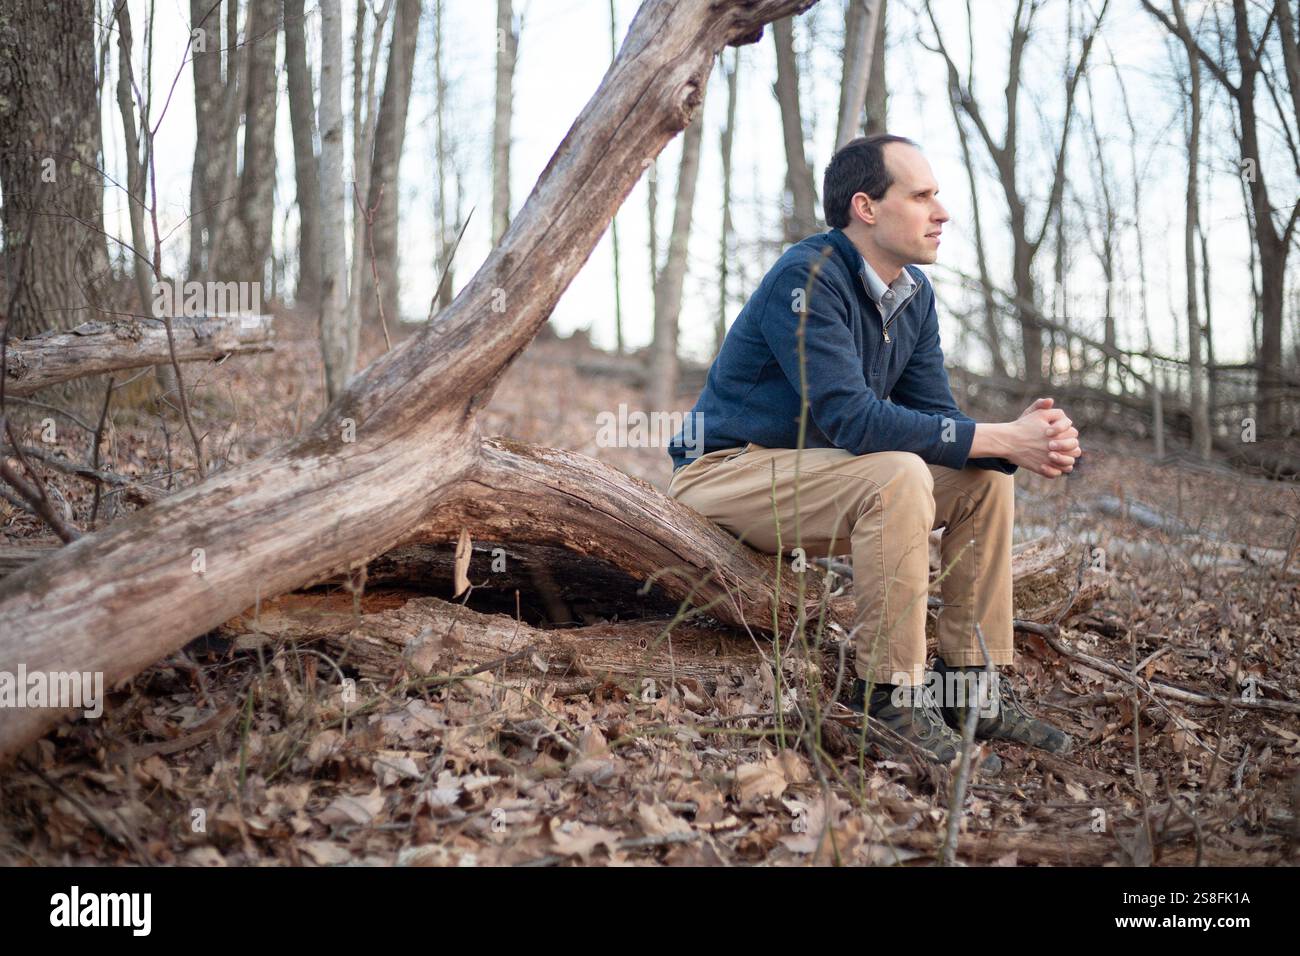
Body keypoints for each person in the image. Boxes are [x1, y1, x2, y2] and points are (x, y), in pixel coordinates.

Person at [666, 134, 1082, 775]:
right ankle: (887, 695)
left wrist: (1023, 439)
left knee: (984, 481)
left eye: (937, 196)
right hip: (725, 472)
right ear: (865, 207)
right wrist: (1001, 436)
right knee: (899, 473)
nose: (941, 212)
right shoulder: (807, 279)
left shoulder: (913, 295)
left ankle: (969, 688)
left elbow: (937, 417)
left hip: (817, 477)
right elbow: (854, 421)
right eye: (921, 197)